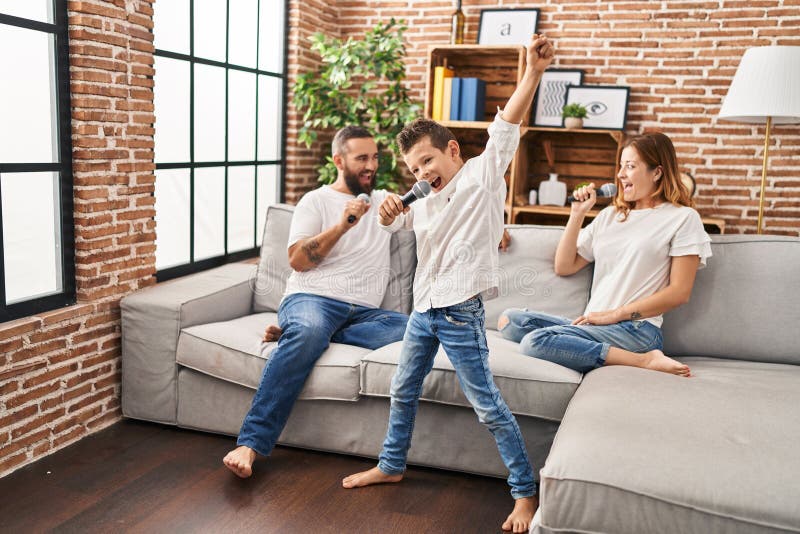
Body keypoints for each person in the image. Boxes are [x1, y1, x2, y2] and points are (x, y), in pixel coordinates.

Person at [341, 34, 555, 534]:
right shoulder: (424, 201)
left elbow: (505, 127)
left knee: (487, 406)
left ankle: (525, 494)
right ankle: (392, 465)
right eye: (414, 168)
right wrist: (390, 209)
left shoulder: (482, 177)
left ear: (452, 150)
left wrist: (533, 72)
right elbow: (395, 225)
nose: (422, 173)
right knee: (402, 388)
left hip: (461, 312)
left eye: (428, 162)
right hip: (423, 310)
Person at [223, 126, 409, 478]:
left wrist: (492, 227)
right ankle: (249, 445)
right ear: (339, 161)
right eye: (361, 159)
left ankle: (302, 335)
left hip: (365, 314)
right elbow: (297, 260)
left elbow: (436, 213)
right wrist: (343, 225)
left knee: (416, 326)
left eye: (375, 157)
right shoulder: (316, 201)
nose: (371, 165)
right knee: (309, 329)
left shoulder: (386, 202)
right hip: (313, 300)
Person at [497, 132, 711, 378]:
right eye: (621, 166)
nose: (620, 175)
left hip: (636, 330)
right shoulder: (611, 215)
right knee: (511, 320)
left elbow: (679, 292)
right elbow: (564, 266)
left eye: (630, 167)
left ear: (657, 172)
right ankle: (587, 344)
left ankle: (644, 360)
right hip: (594, 323)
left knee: (534, 342)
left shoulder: (682, 218)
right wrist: (577, 213)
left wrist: (614, 315)